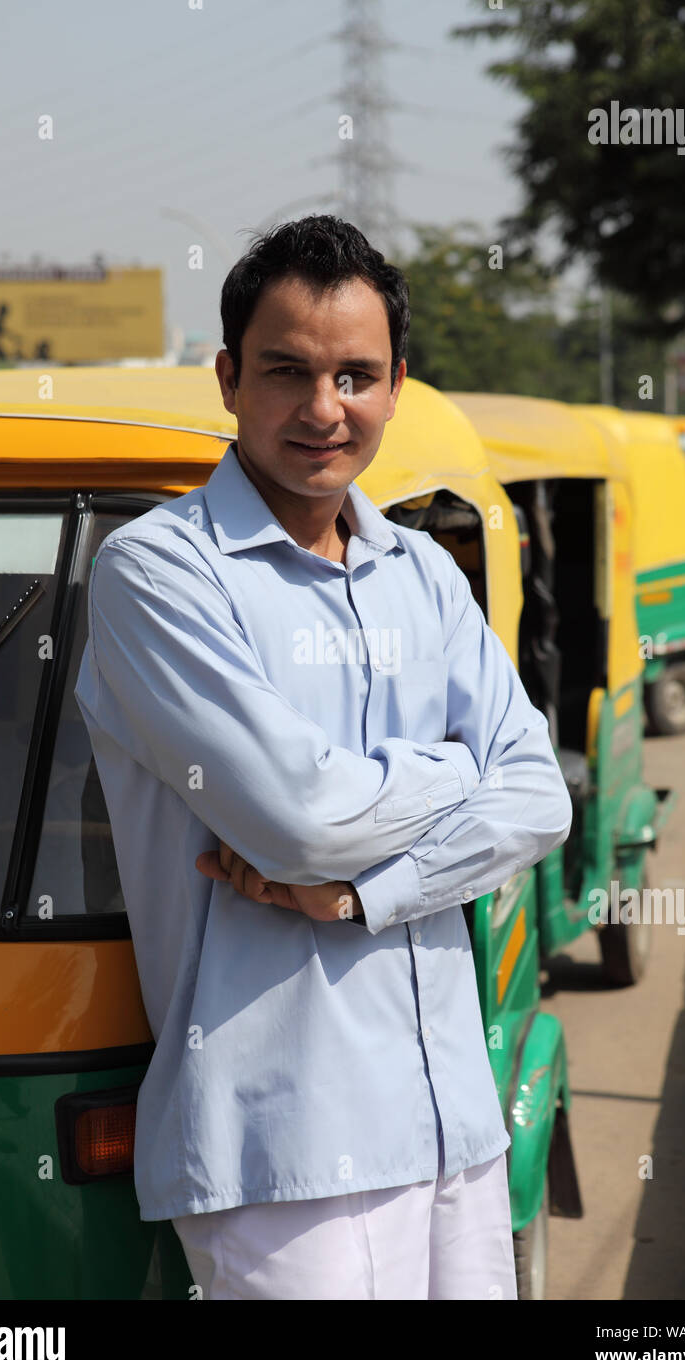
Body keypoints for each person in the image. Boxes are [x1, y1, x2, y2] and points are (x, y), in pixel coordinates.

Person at [73, 215, 572, 1300]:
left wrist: (360, 896)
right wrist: (452, 770)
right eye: (285, 371)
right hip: (285, 1146)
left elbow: (538, 801)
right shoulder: (157, 575)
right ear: (227, 378)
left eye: (353, 374)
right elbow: (297, 819)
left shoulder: (423, 574)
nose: (321, 408)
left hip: (452, 1121)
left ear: (395, 383)